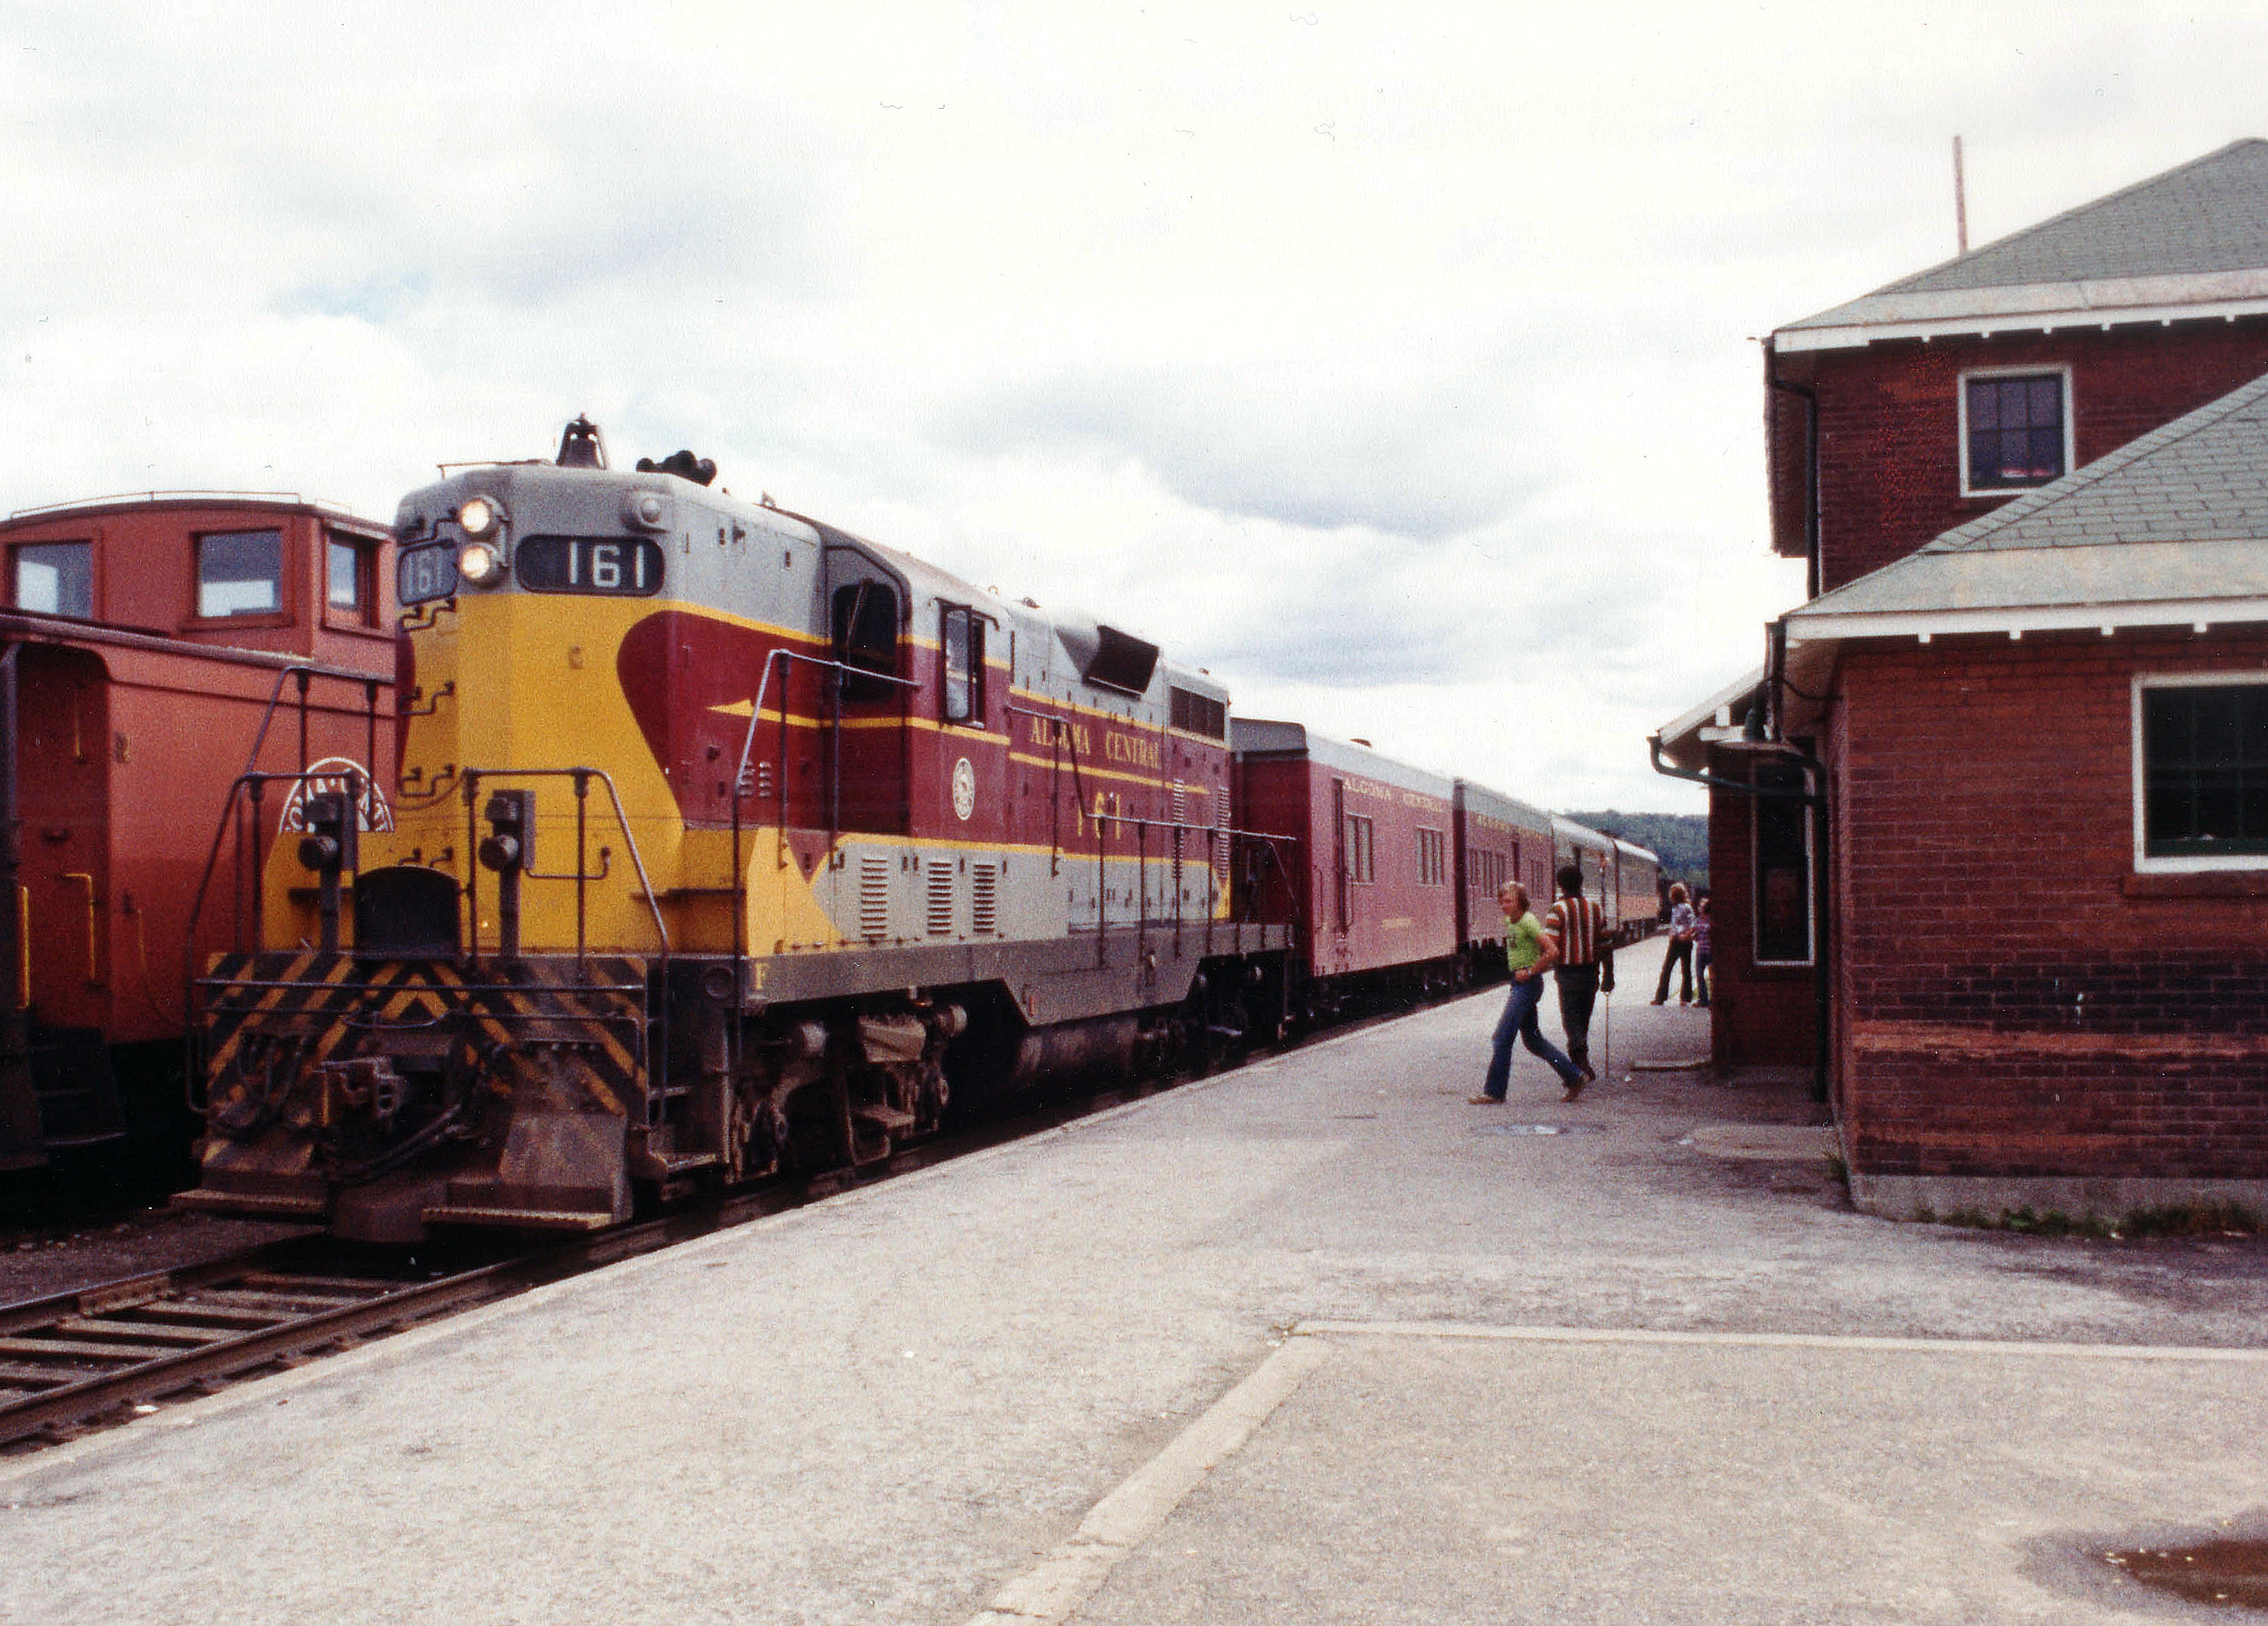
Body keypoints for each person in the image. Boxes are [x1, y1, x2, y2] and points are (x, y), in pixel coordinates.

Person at [1471, 881, 1589, 1105]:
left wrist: (1531, 970)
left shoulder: (1528, 922)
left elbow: (1552, 951)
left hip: (1528, 985)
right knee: (1533, 1041)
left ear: (1520, 902)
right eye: (1501, 901)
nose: (1503, 905)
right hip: (1519, 984)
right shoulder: (1510, 920)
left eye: (1508, 901)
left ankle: (1494, 1092)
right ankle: (1574, 1077)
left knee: (1502, 1037)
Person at [1544, 862, 1614, 1085]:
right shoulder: (1595, 909)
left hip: (1567, 974)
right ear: (1581, 884)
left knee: (1571, 1021)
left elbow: (1551, 944)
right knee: (1582, 1019)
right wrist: (1609, 975)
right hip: (1591, 973)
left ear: (1560, 885)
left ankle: (1579, 1065)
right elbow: (1606, 945)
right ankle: (1579, 1065)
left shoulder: (1557, 910)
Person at [1653, 881, 1696, 1005]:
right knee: (1669, 969)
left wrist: (1686, 935)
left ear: (1675, 895)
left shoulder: (1687, 908)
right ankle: (1666, 997)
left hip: (1684, 941)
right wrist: (1671, 933)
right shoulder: (1675, 908)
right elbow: (1675, 925)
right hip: (1676, 941)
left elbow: (1692, 924)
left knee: (1682, 970)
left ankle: (1680, 998)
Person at [1693, 891, 1713, 1008]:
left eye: (1703, 905)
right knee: (1700, 975)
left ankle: (1712, 999)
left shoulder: (1711, 919)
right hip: (1701, 951)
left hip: (1710, 951)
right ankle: (1703, 999)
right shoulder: (1698, 920)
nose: (1701, 907)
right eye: (1700, 906)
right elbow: (1696, 934)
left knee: (1712, 977)